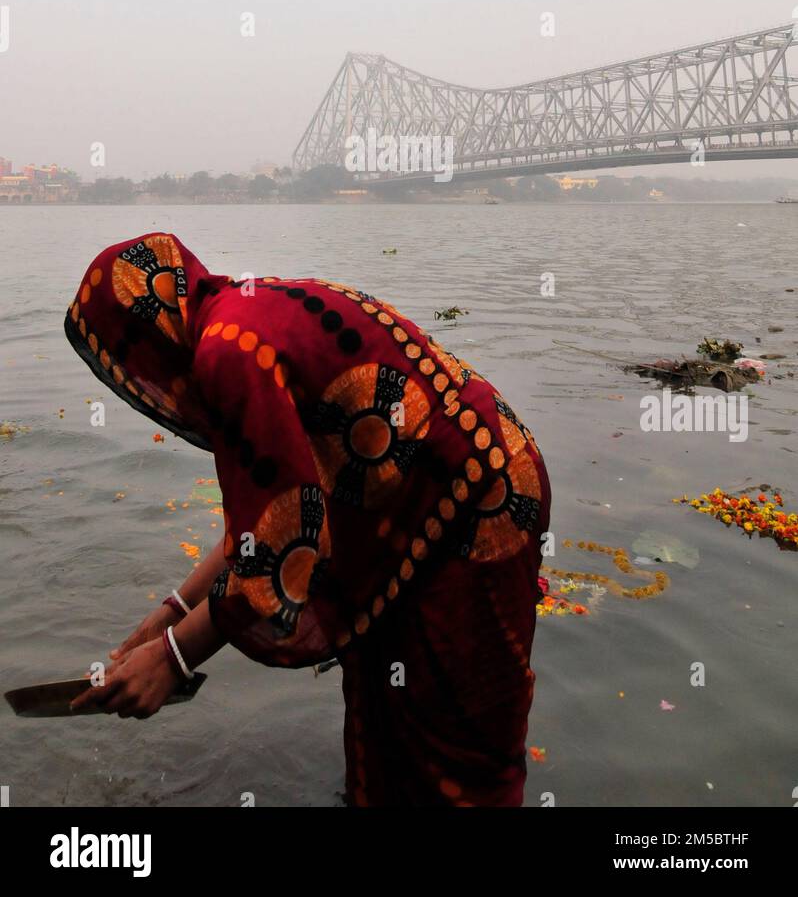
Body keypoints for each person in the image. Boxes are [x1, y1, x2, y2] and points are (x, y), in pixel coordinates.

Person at [66, 232, 550, 807]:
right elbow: (276, 513)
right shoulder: (237, 315)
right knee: (386, 698)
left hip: (479, 502)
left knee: (457, 725)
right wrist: (170, 614)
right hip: (425, 498)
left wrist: (174, 659)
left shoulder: (229, 352)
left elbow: (283, 545)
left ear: (144, 334)